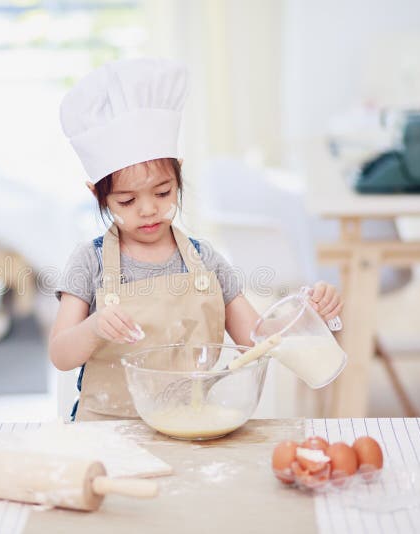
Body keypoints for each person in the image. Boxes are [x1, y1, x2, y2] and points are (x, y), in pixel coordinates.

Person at [49, 58, 343, 421]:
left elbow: (257, 339)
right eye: (127, 200)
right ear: (98, 195)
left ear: (179, 176)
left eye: (162, 192)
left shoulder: (206, 261)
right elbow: (61, 354)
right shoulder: (88, 261)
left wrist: (309, 312)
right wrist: (94, 327)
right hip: (108, 434)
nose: (148, 210)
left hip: (189, 424)